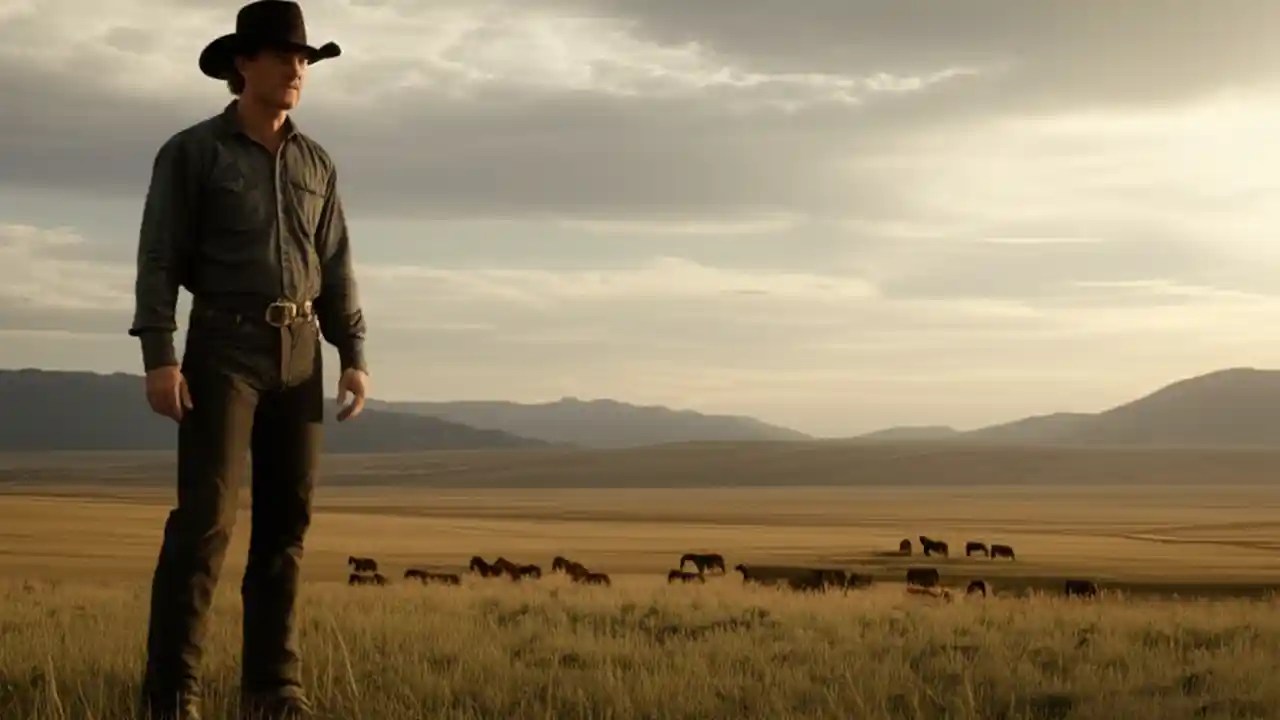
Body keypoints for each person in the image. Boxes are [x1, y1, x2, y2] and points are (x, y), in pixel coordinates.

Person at [127, 2, 369, 718]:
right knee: (205, 521)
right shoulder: (192, 152)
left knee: (288, 523)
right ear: (242, 64)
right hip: (222, 346)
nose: (297, 69)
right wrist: (158, 352)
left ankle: (272, 688)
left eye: (304, 60)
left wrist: (352, 352)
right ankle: (171, 694)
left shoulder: (317, 162)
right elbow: (159, 255)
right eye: (283, 56)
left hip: (300, 352)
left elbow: (336, 263)